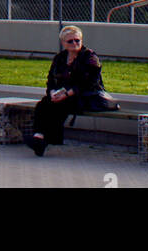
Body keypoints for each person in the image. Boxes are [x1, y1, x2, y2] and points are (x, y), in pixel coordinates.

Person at [27, 25, 119, 156]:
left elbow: (89, 83)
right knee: (44, 103)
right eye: (70, 41)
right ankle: (38, 137)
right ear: (63, 43)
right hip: (63, 95)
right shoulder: (59, 58)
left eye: (77, 40)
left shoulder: (90, 57)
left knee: (60, 105)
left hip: (86, 96)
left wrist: (67, 93)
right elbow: (51, 81)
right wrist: (52, 92)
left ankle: (44, 140)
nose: (74, 43)